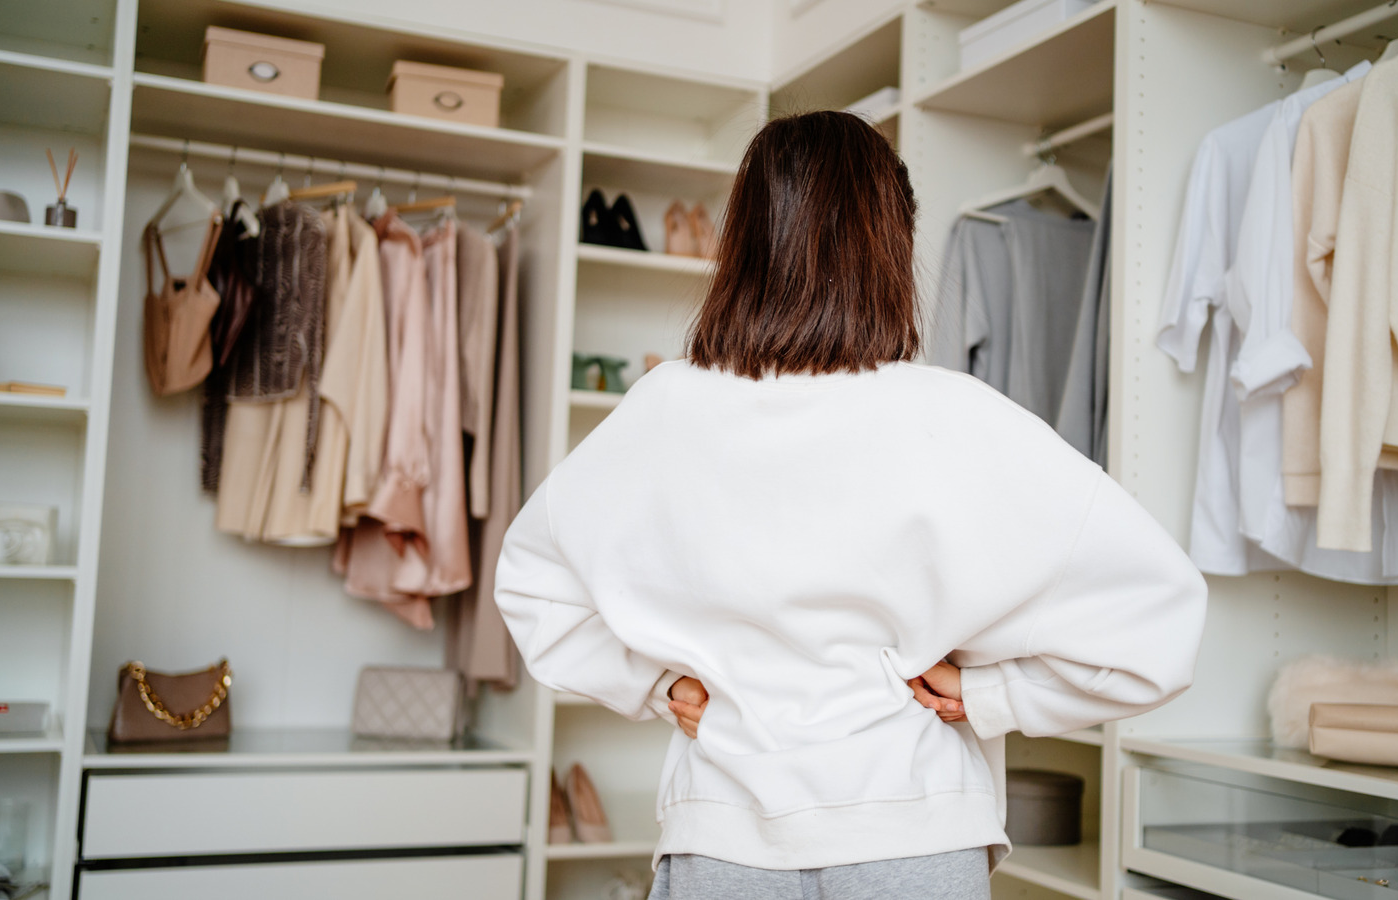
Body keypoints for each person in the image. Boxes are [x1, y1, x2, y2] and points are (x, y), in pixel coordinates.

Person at [495, 110, 1207, 900]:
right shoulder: (960, 416)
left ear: (744, 241)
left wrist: (655, 685)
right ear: (890, 247)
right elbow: (1162, 623)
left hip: (723, 838)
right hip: (915, 836)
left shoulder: (664, 408)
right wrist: (992, 696)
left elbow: (530, 587)